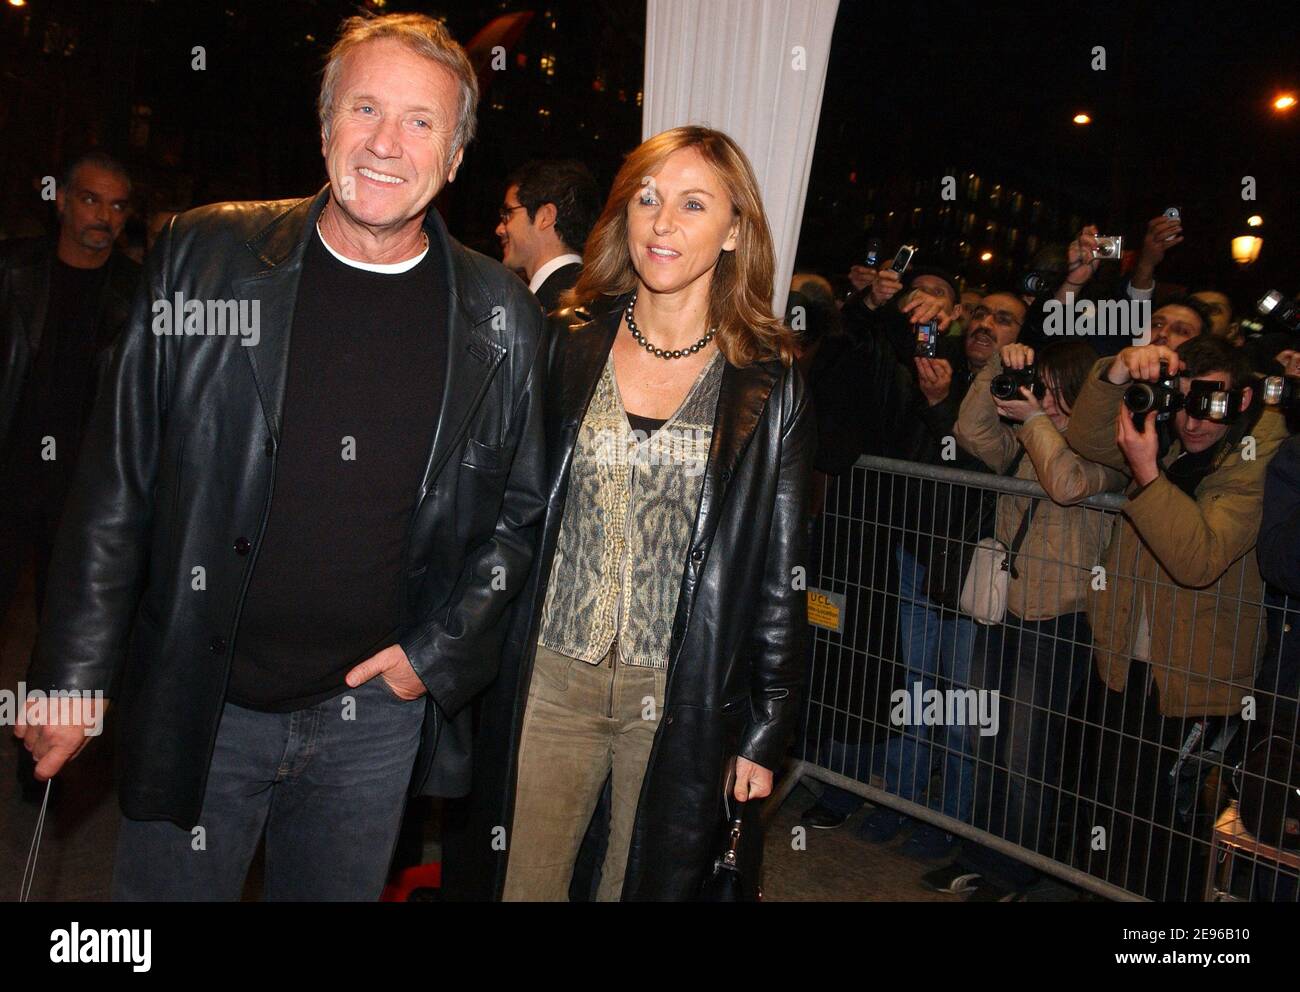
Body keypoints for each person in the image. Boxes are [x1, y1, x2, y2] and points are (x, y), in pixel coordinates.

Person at [15, 12, 548, 901]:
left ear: (455, 157)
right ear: (326, 124)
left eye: (420, 121)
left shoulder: (503, 317)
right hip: (200, 697)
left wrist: (433, 656)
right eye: (364, 108)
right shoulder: (206, 256)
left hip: (372, 723)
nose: (386, 142)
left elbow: (521, 518)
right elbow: (118, 481)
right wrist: (72, 676)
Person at [445, 125, 813, 902]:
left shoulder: (768, 380)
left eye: (693, 204)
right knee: (519, 885)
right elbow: (503, 512)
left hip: (680, 693)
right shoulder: (563, 341)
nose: (663, 222)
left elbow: (779, 575)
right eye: (647, 200)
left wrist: (766, 727)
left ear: (735, 230)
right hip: (550, 675)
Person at [1065, 335, 1286, 900]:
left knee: (1170, 828)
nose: (1193, 420)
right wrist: (1117, 372)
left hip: (1197, 673)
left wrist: (1148, 473)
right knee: (1115, 805)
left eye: (1210, 403)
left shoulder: (1258, 457)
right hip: (1130, 659)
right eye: (1183, 401)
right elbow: (1086, 438)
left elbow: (1199, 559)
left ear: (1242, 400)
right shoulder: (1168, 438)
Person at [924, 339, 1125, 900]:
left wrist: (1037, 420)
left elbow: (1067, 483)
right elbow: (969, 429)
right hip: (1002, 610)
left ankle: (1014, 870)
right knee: (985, 738)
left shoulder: (1110, 456)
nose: (1047, 399)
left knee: (1026, 755)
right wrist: (999, 364)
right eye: (1042, 387)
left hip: (1059, 621)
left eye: (1058, 391)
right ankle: (980, 854)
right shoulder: (1024, 442)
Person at [1, 150, 140, 800]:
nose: (103, 216)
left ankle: (38, 768)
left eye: (117, 205)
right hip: (9, 478)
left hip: (81, 497)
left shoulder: (138, 293)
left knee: (62, 640)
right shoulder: (13, 271)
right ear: (60, 200)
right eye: (90, 199)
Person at [496, 159, 601, 312]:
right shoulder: (594, 296)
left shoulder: (539, 311)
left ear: (546, 216)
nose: (499, 229)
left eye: (508, 214)